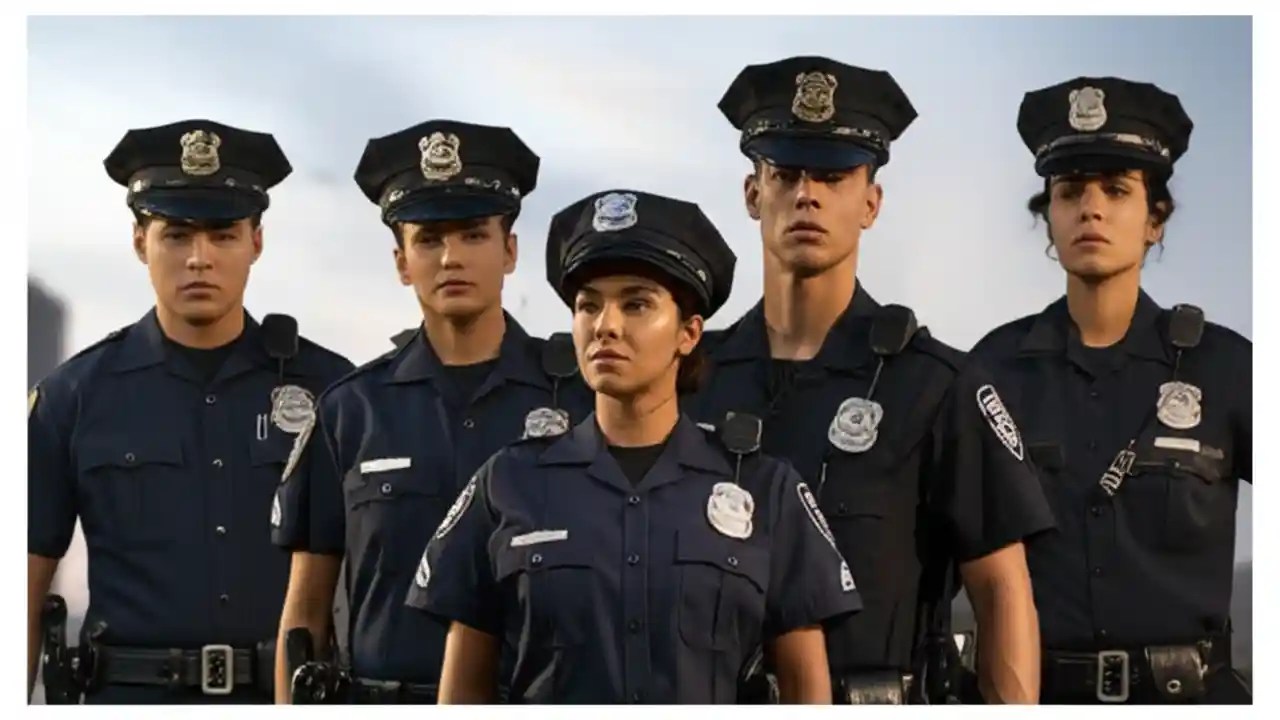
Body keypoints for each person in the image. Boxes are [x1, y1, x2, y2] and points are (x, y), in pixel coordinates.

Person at [690, 56, 1057, 704]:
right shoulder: (688, 382)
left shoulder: (934, 385)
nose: (808, 194)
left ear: (870, 202)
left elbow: (1001, 592)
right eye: (786, 174)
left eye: (833, 176)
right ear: (753, 193)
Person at [405, 189, 862, 704]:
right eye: (588, 305)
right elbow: (462, 694)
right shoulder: (508, 484)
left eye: (637, 303)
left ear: (689, 333)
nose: (606, 325)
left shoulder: (764, 490)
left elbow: (807, 693)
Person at [27, 120, 354, 704]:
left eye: (223, 235)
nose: (199, 258)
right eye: (176, 235)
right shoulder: (74, 396)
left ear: (257, 241)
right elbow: (21, 589)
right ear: (138, 241)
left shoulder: (333, 392)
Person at [271, 120, 591, 704]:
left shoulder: (579, 403)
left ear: (510, 250)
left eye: (473, 235)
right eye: (428, 239)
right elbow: (304, 617)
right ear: (401, 261)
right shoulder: (350, 412)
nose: (451, 258)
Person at [968, 76, 1252, 704]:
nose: (1090, 209)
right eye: (1069, 192)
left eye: (1117, 192)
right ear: (1050, 220)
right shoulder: (992, 372)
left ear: (1155, 221)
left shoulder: (1227, 367)